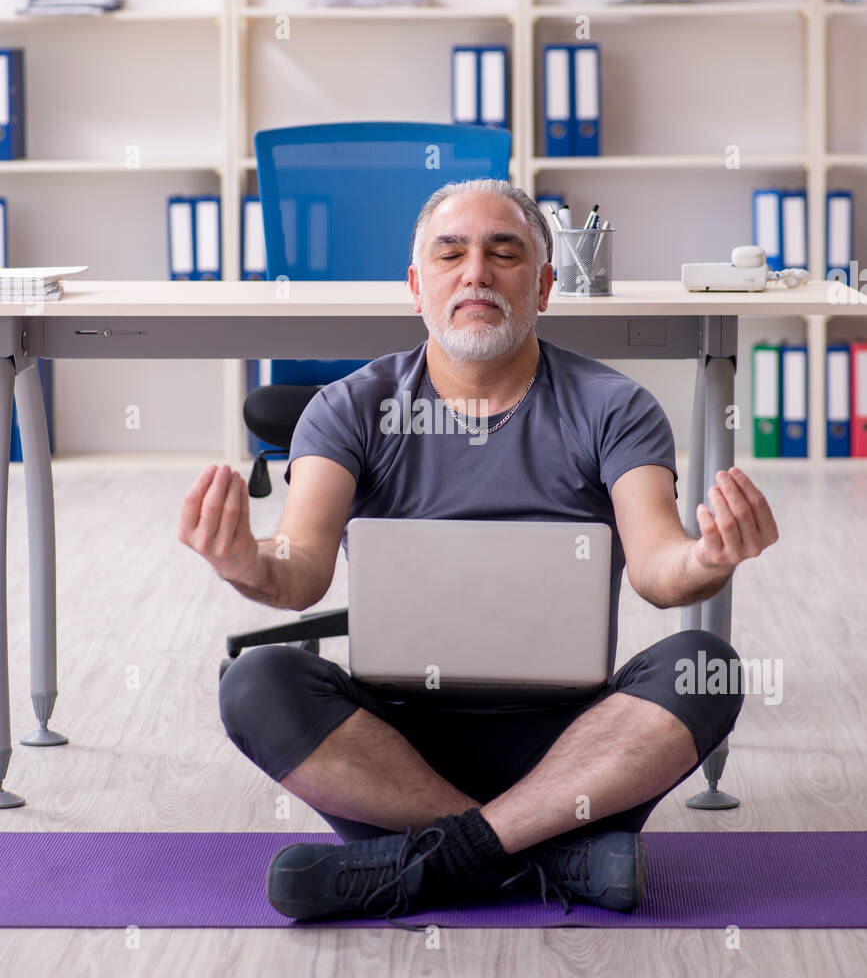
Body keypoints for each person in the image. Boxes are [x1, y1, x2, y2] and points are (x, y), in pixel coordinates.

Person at [179, 179, 779, 926]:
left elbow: (660, 571)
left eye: (505, 253)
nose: (476, 273)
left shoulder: (613, 406)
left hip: (571, 746)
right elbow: (298, 572)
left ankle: (420, 861)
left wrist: (708, 558)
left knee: (704, 664)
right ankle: (546, 855)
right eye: (451, 253)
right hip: (392, 748)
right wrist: (245, 565)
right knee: (255, 680)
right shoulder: (349, 407)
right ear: (415, 284)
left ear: (544, 285)